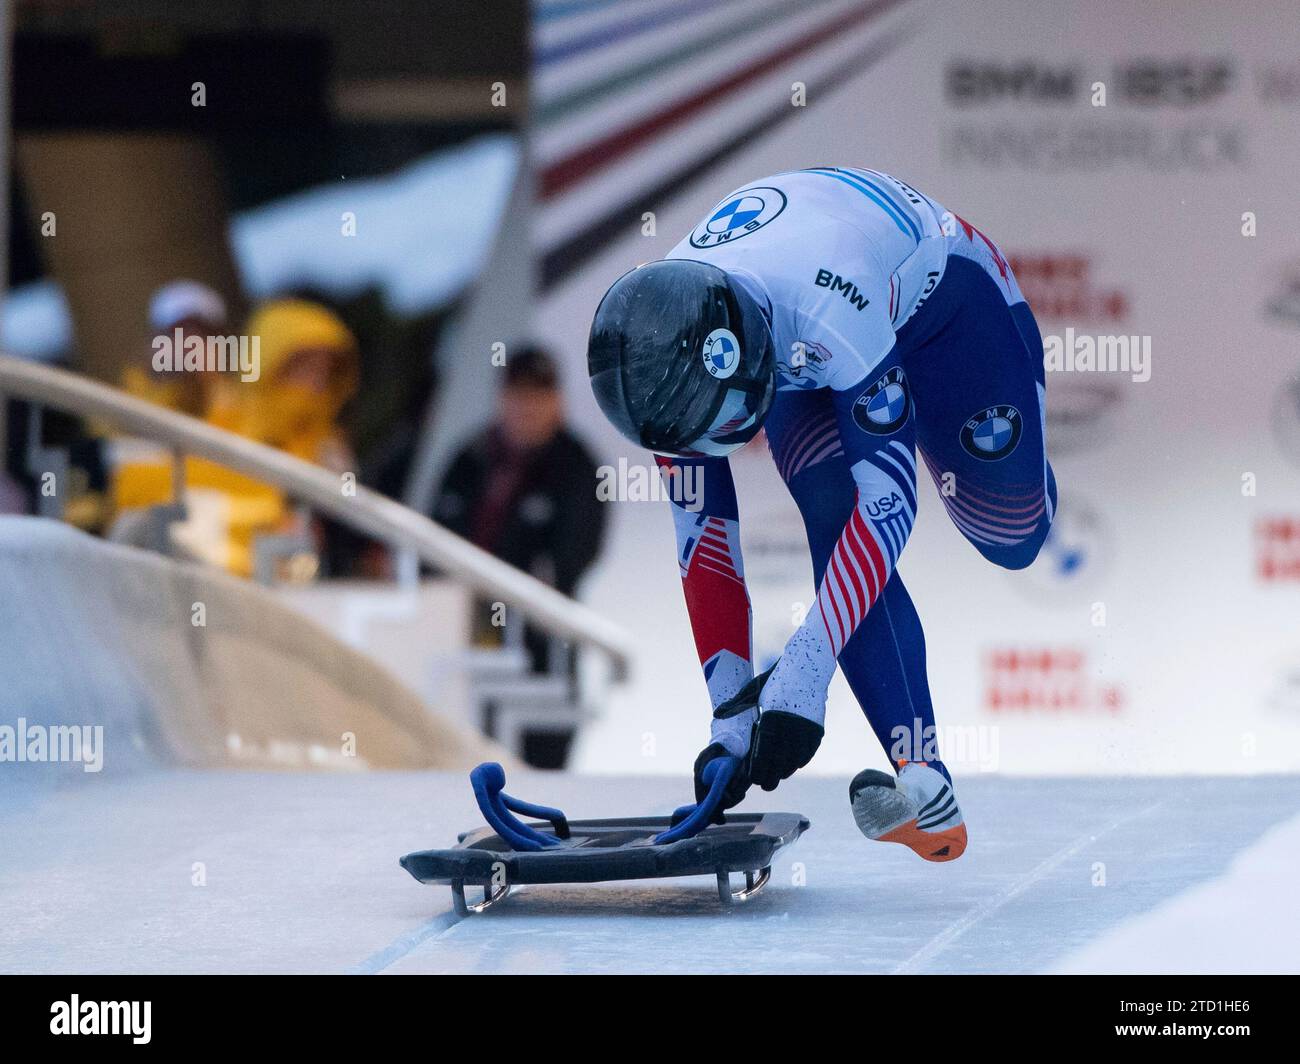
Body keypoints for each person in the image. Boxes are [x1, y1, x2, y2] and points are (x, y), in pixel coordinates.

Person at [587, 167, 1058, 862]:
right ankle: (923, 779)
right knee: (834, 519)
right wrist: (729, 714)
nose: (730, 440)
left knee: (1013, 535)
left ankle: (1003, 446)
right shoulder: (667, 369)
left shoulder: (826, 306)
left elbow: (893, 504)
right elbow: (704, 538)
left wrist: (807, 668)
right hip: (804, 355)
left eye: (736, 422)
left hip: (945, 314)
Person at [434, 346, 607, 767]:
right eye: (518, 394)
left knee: (541, 768)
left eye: (539, 395)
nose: (527, 407)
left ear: (558, 401)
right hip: (461, 632)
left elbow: (577, 551)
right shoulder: (471, 456)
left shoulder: (575, 463)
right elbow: (433, 537)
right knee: (458, 759)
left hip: (543, 643)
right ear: (501, 398)